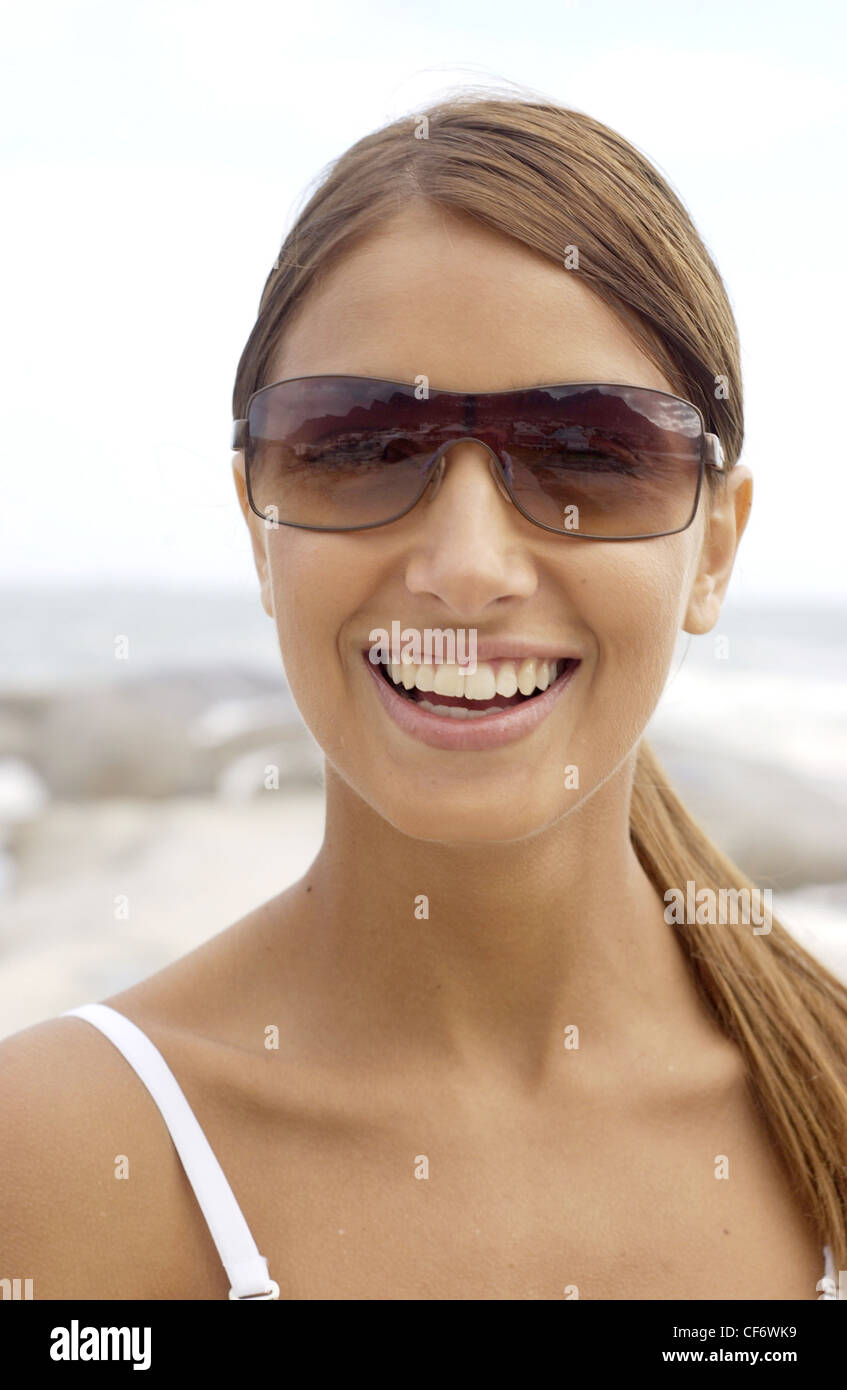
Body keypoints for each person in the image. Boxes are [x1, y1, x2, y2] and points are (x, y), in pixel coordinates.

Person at [2, 92, 845, 1301]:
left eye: (588, 454)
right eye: (358, 446)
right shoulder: (55, 1164)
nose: (467, 567)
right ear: (256, 522)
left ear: (715, 546)